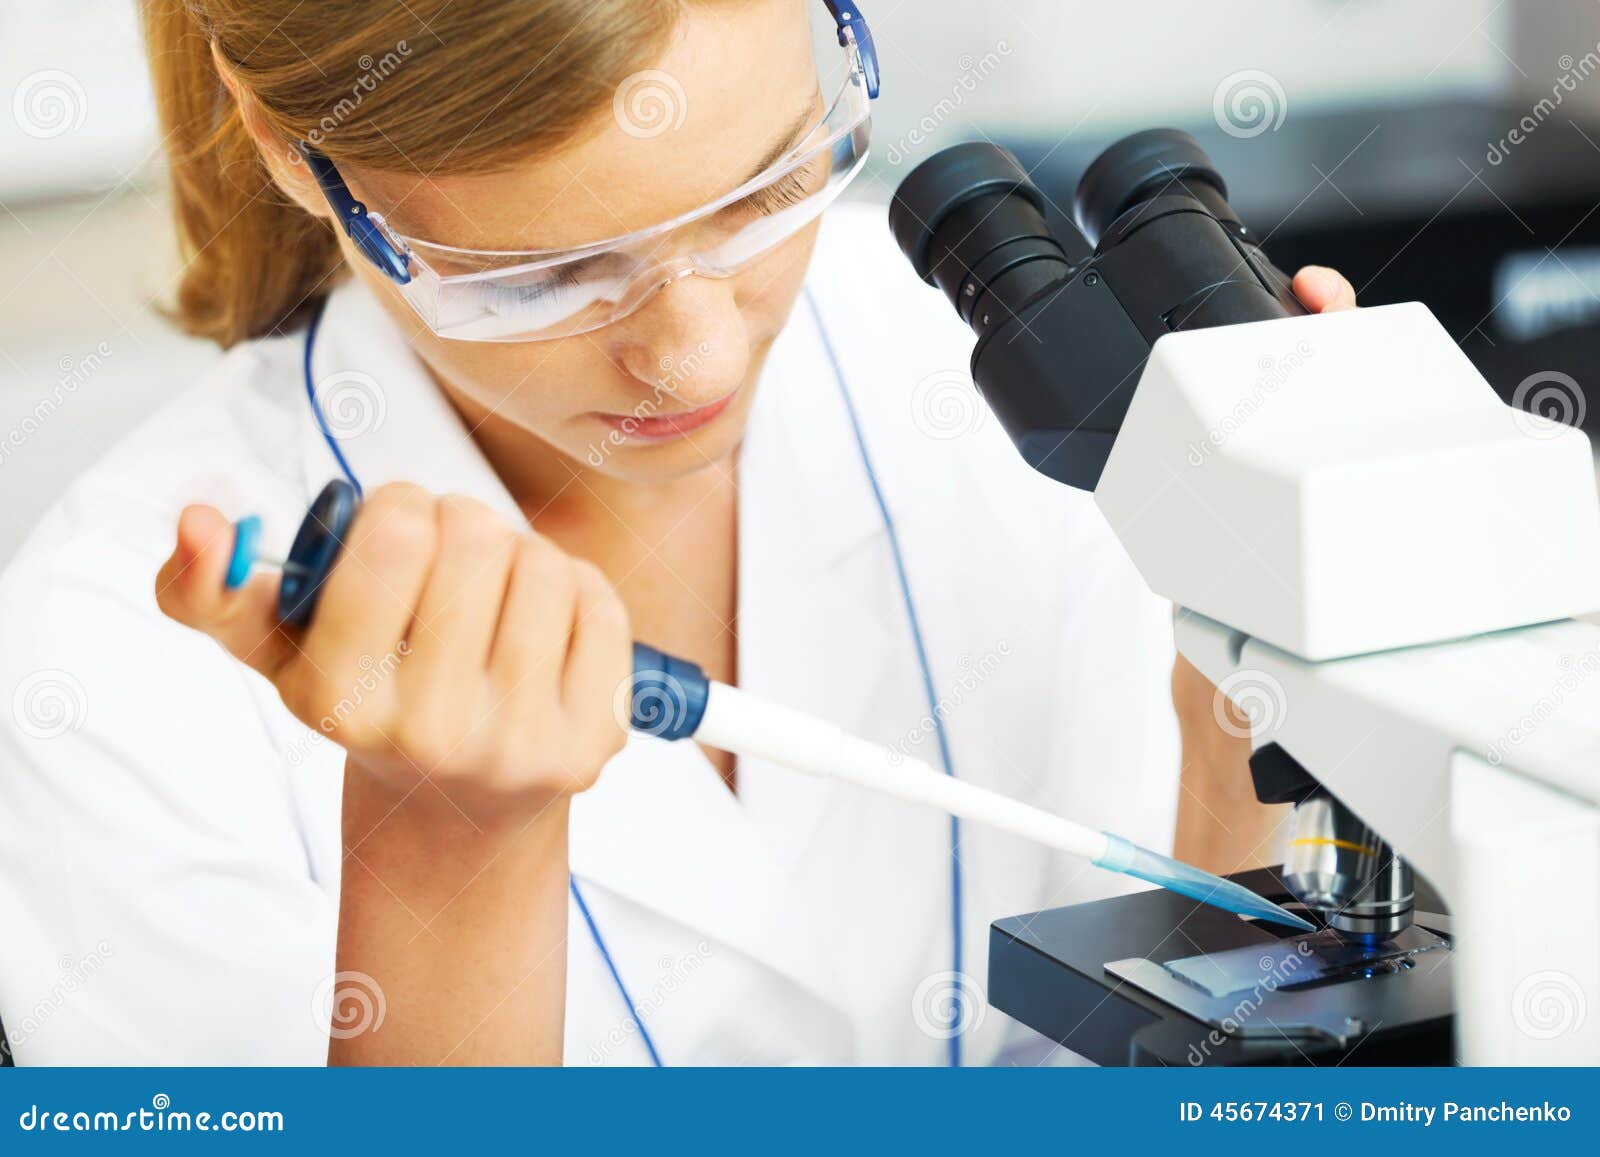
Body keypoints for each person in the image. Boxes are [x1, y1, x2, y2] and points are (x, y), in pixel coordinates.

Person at [0, 0, 1356, 1065]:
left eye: (765, 188)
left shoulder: (983, 393)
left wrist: (1261, 686)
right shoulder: (108, 649)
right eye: (547, 274)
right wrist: (456, 859)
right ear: (297, 150)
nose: (697, 356)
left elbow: (1233, 1054)